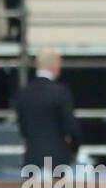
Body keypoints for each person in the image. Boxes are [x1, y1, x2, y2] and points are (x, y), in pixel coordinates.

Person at [14, 48, 82, 180]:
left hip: (32, 159)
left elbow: (23, 128)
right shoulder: (61, 92)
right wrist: (74, 149)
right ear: (55, 64)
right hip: (58, 161)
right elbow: (71, 127)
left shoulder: (24, 93)